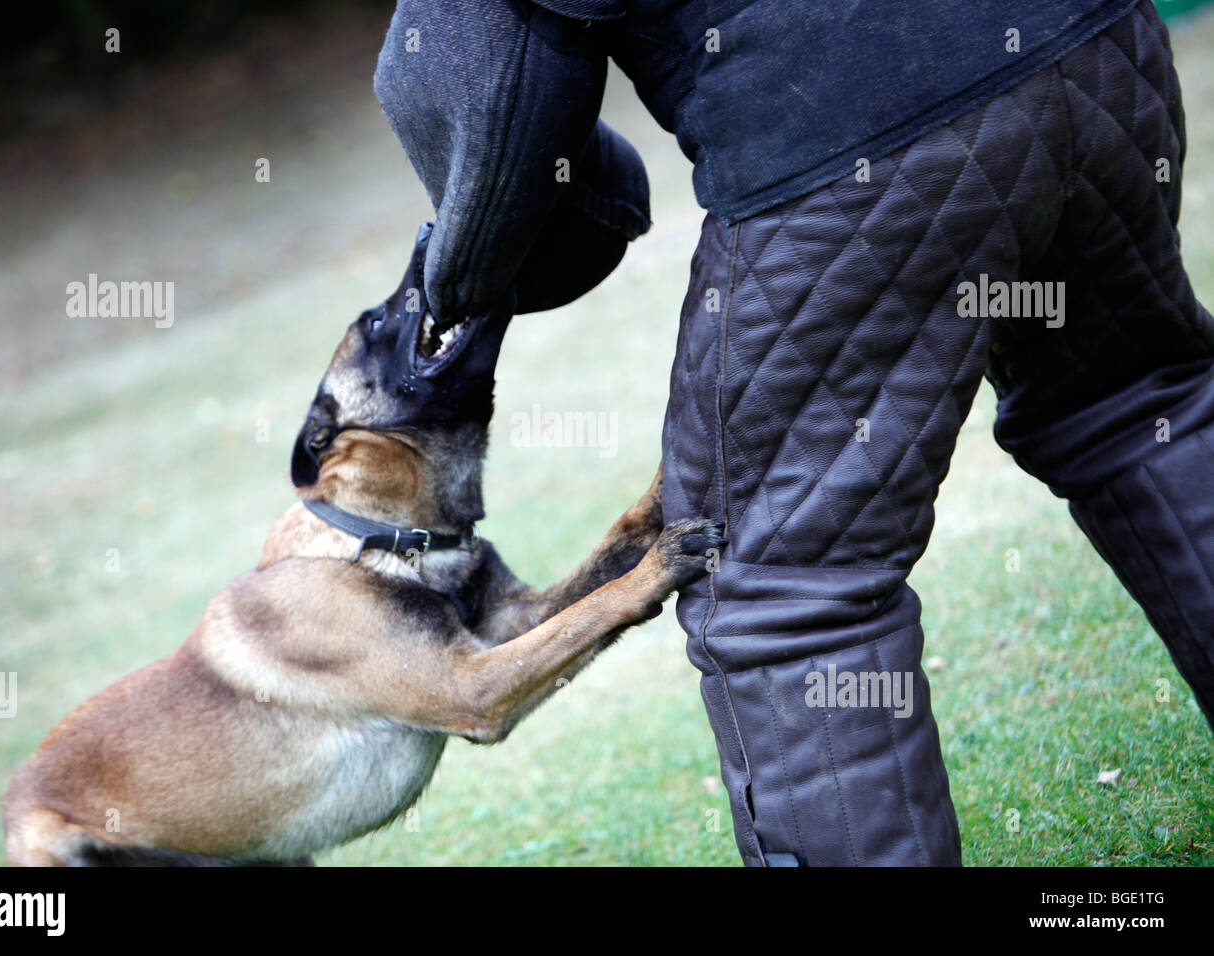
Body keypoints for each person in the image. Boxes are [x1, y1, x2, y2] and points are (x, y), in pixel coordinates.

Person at [372, 0, 1214, 865]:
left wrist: (453, 284)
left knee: (778, 592)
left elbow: (490, 84)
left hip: (849, 142)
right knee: (1142, 406)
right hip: (1101, 46)